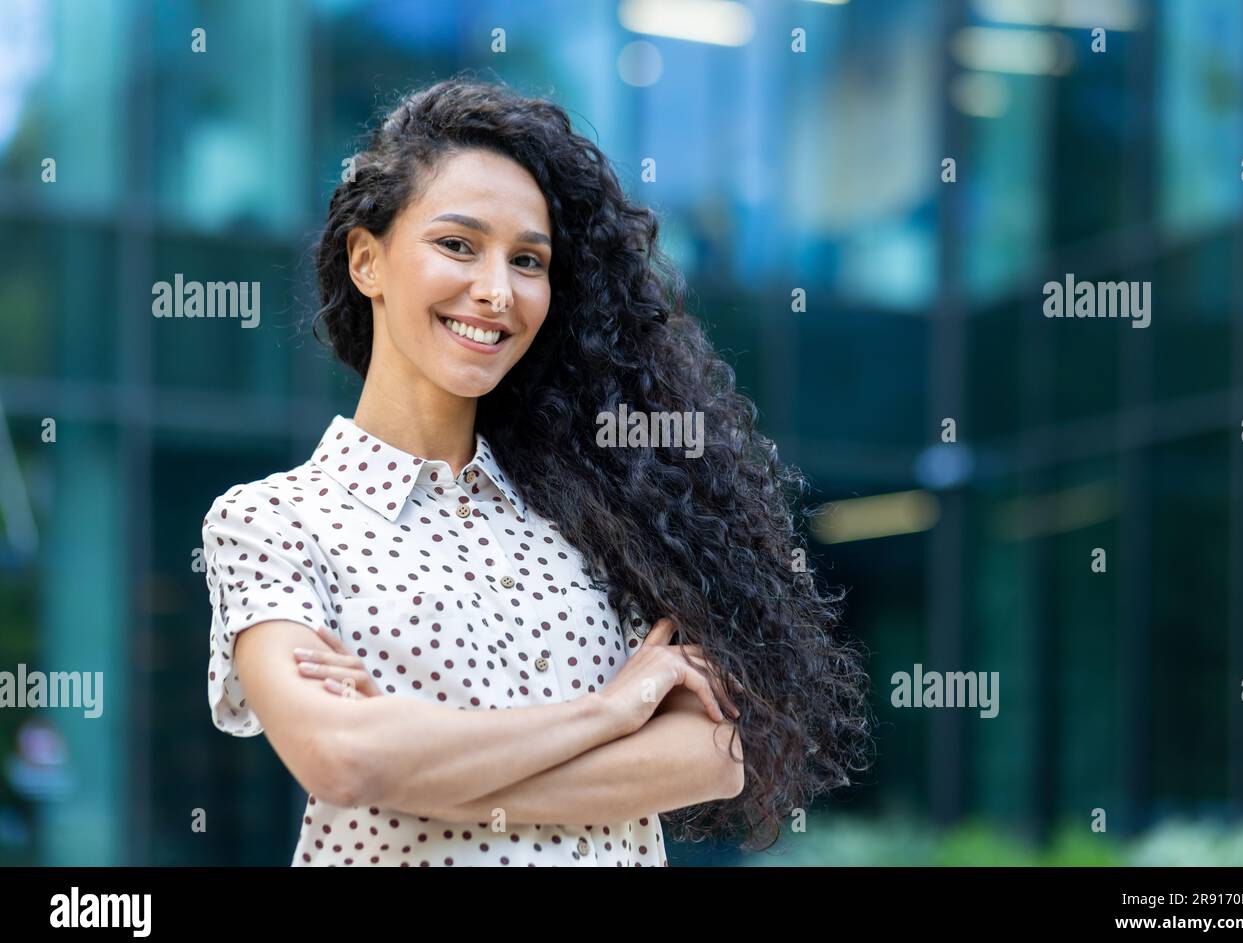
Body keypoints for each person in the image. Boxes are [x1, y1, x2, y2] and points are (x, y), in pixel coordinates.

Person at [200, 75, 872, 867]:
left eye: (528, 260)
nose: (495, 292)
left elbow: (715, 751)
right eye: (457, 245)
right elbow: (343, 756)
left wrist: (419, 766)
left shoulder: (600, 506)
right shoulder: (271, 522)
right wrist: (612, 711)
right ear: (367, 260)